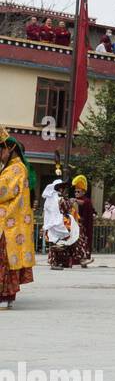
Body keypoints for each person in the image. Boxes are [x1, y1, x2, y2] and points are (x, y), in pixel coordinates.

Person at [0, 128, 37, 308]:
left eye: (1, 150)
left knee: (4, 261)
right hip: (8, 222)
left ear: (10, 148)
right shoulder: (14, 168)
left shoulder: (15, 168)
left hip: (8, 224)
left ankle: (5, 298)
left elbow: (3, 191)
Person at [69, 175, 94, 267]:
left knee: (83, 243)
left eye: (78, 191)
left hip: (84, 226)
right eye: (75, 191)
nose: (76, 193)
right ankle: (78, 260)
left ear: (83, 192)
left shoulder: (86, 200)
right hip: (75, 225)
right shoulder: (75, 201)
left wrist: (74, 200)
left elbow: (83, 203)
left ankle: (84, 259)